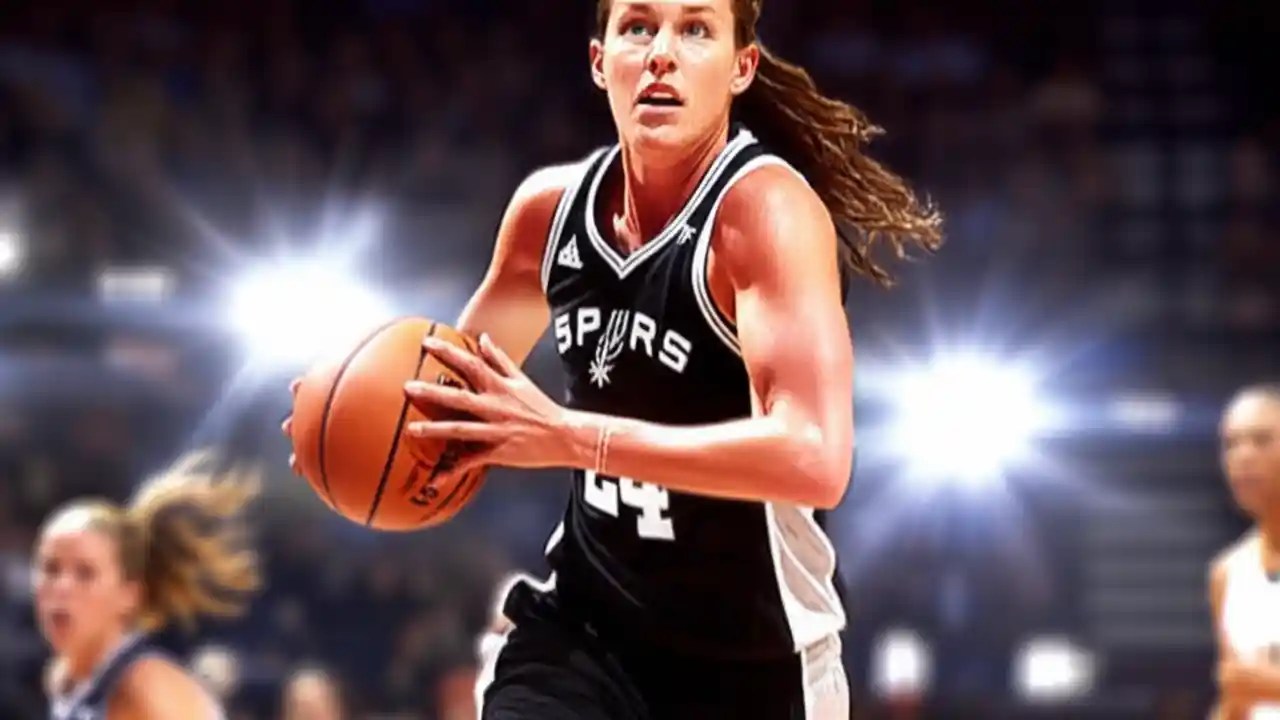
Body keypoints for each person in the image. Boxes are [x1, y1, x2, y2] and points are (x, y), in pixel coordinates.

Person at [285, 0, 939, 717]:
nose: (662, 52)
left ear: (740, 68)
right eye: (638, 26)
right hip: (586, 636)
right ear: (600, 62)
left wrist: (571, 438)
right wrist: (344, 427)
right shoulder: (546, 214)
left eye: (695, 29)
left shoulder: (764, 215)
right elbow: (452, 404)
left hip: (754, 662)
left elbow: (815, 458)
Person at [34, 450, 260, 720]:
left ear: (129, 595)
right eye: (50, 568)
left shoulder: (143, 692)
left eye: (85, 573)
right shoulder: (67, 677)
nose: (61, 587)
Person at [1210, 383, 1280, 720]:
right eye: (1231, 444)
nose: (1243, 456)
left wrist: (1271, 684)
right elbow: (1235, 702)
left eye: (1262, 440)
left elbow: (1257, 684)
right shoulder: (1228, 572)